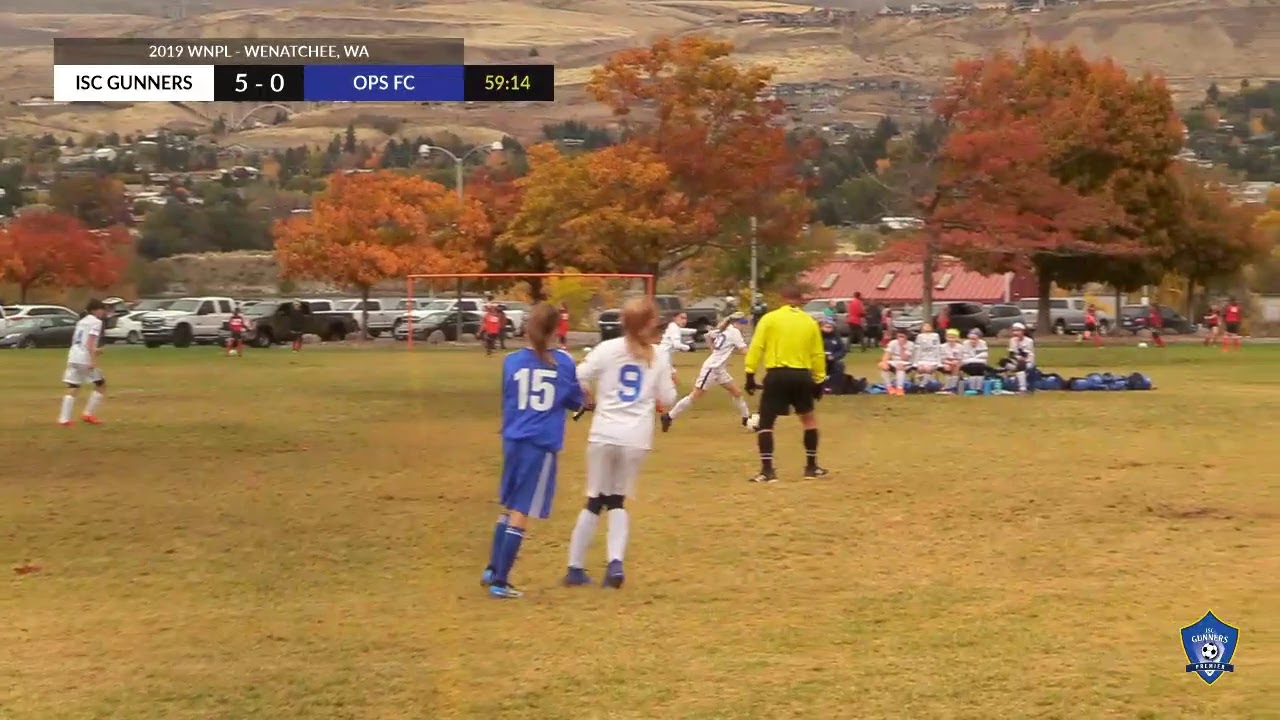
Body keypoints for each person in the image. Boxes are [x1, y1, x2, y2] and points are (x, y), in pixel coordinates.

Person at [563, 297, 677, 588]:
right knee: (616, 500)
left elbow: (578, 374)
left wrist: (587, 394)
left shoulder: (607, 349)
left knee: (594, 500)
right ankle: (614, 562)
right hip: (635, 438)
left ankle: (575, 567)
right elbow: (667, 399)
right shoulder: (660, 356)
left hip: (604, 433)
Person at [480, 303, 586, 599]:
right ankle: (501, 580)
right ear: (555, 330)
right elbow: (575, 402)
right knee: (522, 509)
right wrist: (585, 398)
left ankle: (492, 567)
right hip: (539, 443)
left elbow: (510, 396)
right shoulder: (563, 363)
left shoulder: (511, 361)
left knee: (511, 504)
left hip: (513, 438)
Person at [743, 285, 828, 483]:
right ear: (801, 301)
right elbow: (817, 353)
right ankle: (811, 466)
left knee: (766, 422)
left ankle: (767, 470)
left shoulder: (770, 319)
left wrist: (750, 373)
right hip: (801, 375)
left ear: (782, 299)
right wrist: (819, 380)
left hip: (777, 374)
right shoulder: (809, 322)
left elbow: (757, 346)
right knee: (808, 420)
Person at [661, 312, 751, 431]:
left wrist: (714, 351)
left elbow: (708, 336)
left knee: (737, 392)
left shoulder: (725, 329)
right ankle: (668, 416)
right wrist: (756, 355)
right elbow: (744, 350)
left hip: (719, 369)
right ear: (736, 322)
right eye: (742, 323)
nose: (743, 326)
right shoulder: (735, 332)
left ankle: (746, 419)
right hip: (712, 368)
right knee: (695, 395)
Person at [59, 299, 109, 426]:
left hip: (73, 356)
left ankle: (64, 419)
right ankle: (88, 414)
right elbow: (90, 342)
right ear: (95, 310)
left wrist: (94, 350)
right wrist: (93, 360)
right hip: (84, 358)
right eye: (102, 309)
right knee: (101, 385)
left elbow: (79, 340)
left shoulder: (81, 321)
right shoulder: (96, 322)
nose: (103, 312)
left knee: (73, 386)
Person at [878, 327, 915, 396]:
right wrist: (884, 362)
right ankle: (889, 387)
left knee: (900, 366)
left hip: (907, 363)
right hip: (894, 361)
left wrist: (902, 347)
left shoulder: (910, 344)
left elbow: (904, 358)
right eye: (898, 336)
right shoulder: (893, 343)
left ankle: (899, 388)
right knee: (882, 365)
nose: (900, 338)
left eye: (902, 336)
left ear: (906, 337)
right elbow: (887, 354)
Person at [1002, 322, 1035, 393]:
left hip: (1027, 361)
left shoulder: (1029, 341)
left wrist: (1017, 344)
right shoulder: (1012, 340)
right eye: (1014, 331)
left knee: (1021, 364)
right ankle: (1014, 376)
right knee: (1003, 361)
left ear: (1023, 331)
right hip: (1016, 360)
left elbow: (1024, 355)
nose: (1015, 333)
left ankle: (1022, 388)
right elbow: (1011, 354)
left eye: (1017, 330)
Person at [820, 317, 846, 394]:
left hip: (833, 360)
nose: (828, 329)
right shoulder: (817, 337)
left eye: (830, 327)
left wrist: (834, 356)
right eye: (826, 327)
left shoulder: (836, 337)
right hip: (819, 360)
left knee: (840, 365)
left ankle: (834, 388)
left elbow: (842, 350)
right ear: (821, 327)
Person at [960, 328, 990, 393]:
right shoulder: (965, 343)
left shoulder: (983, 343)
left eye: (974, 339)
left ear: (979, 338)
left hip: (980, 364)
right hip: (967, 365)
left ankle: (978, 388)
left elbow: (984, 358)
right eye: (971, 339)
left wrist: (972, 358)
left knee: (979, 367)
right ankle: (972, 388)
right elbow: (964, 359)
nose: (972, 341)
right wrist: (976, 358)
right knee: (973, 367)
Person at [940, 328, 965, 392]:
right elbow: (940, 358)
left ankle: (952, 386)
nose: (951, 339)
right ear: (946, 337)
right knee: (948, 367)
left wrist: (956, 361)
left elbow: (962, 357)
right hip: (945, 362)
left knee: (956, 366)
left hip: (957, 362)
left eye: (953, 337)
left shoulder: (960, 347)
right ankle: (947, 386)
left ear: (957, 338)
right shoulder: (942, 347)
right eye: (949, 337)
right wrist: (948, 362)